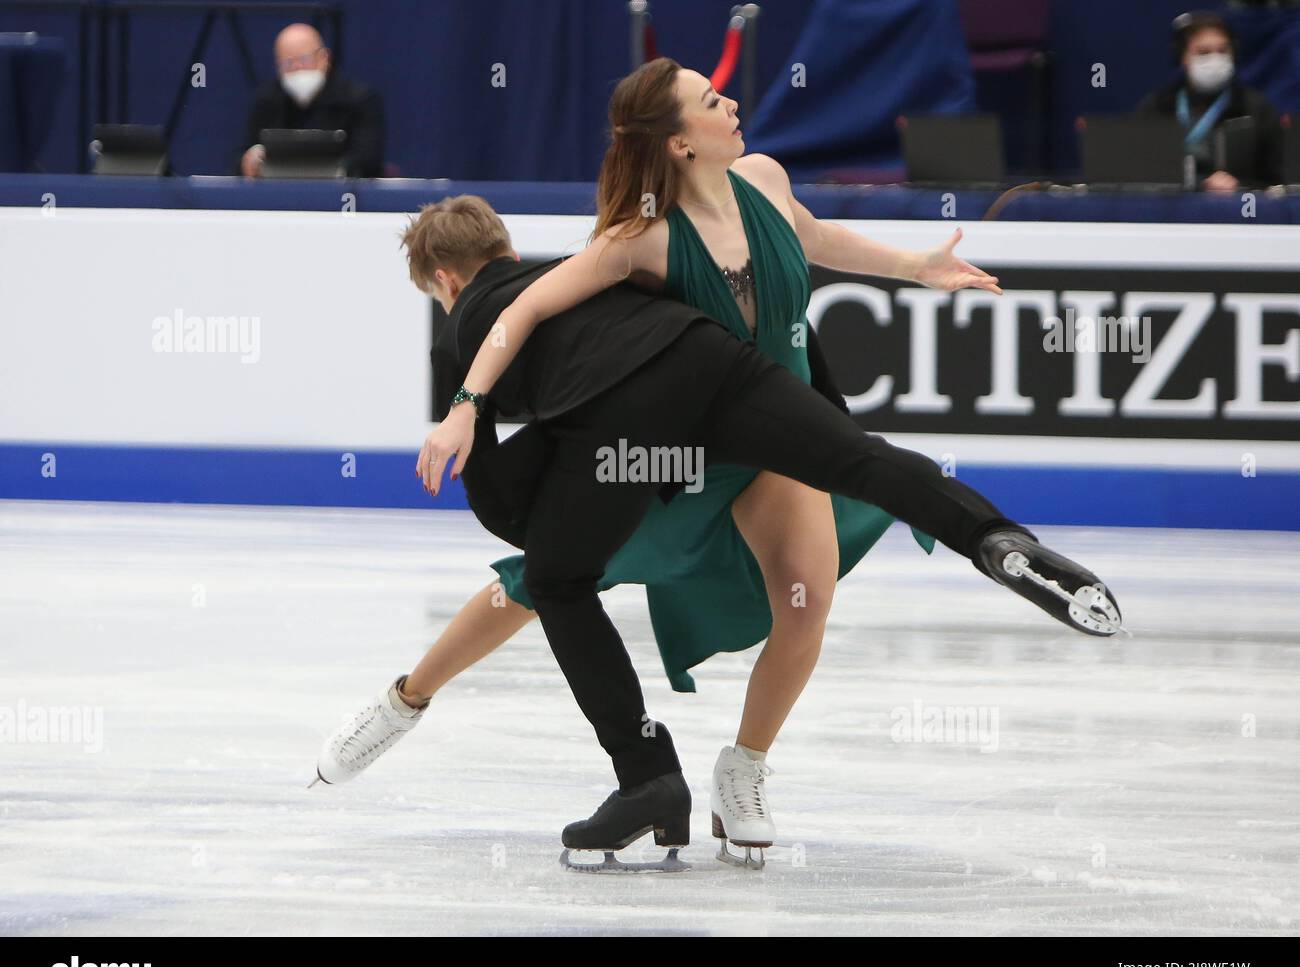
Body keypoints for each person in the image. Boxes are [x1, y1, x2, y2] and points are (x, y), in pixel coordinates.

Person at [317, 60, 1122, 869]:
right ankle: (404, 699)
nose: (731, 102)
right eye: (711, 100)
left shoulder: (764, 179)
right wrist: (472, 403)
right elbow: (532, 312)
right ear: (678, 141)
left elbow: (813, 238)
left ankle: (744, 769)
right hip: (686, 444)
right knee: (537, 578)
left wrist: (914, 266)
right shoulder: (636, 239)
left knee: (805, 597)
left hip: (770, 412)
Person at [1137, 10, 1283, 191]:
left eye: (1223, 50)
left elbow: (1276, 180)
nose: (1215, 60)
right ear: (1182, 57)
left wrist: (1242, 186)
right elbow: (1139, 174)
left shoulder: (1256, 108)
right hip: (1169, 212)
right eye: (1203, 52)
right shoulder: (1158, 106)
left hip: (1236, 212)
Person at [238, 23, 385, 179]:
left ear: (324, 58)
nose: (297, 68)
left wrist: (330, 171)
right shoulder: (267, 100)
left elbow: (368, 160)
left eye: (305, 59)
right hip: (278, 194)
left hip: (339, 196)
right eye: (287, 63)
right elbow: (240, 154)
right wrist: (248, 161)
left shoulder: (360, 99)